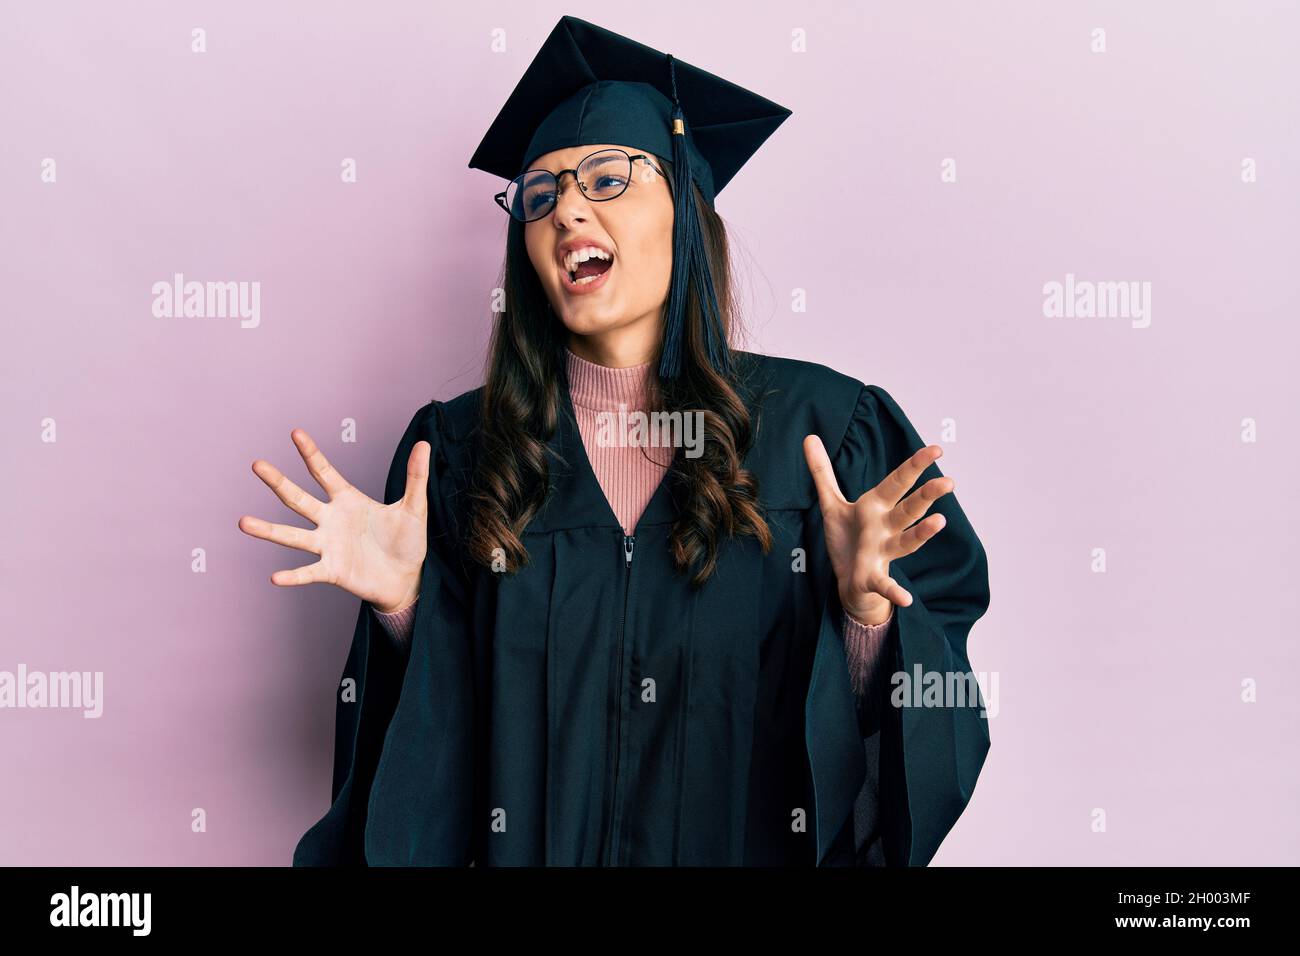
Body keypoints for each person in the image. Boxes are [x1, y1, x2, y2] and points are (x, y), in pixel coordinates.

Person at [239, 16, 991, 866]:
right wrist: (404, 612)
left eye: (606, 178)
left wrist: (864, 624)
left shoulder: (828, 437)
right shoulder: (457, 455)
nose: (567, 211)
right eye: (541, 194)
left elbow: (915, 752)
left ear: (686, 209)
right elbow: (436, 765)